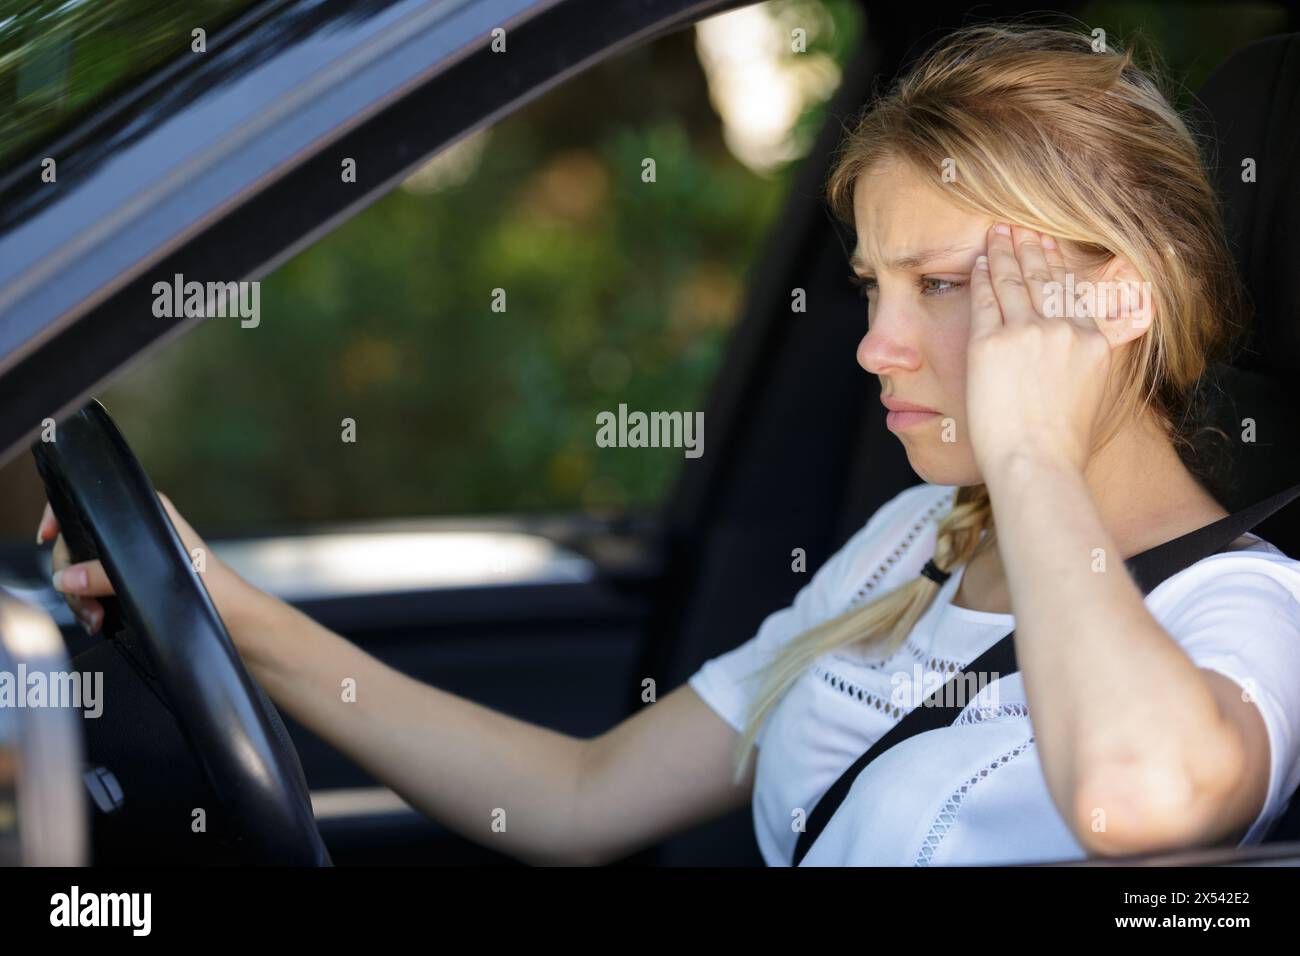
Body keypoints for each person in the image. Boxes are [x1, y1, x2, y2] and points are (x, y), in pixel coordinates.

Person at [38, 22, 1300, 866]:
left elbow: (1132, 799)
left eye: (943, 284)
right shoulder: (917, 540)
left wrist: (1030, 451)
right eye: (872, 284)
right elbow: (582, 801)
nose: (876, 344)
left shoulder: (1250, 612)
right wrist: (219, 606)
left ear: (1117, 299)